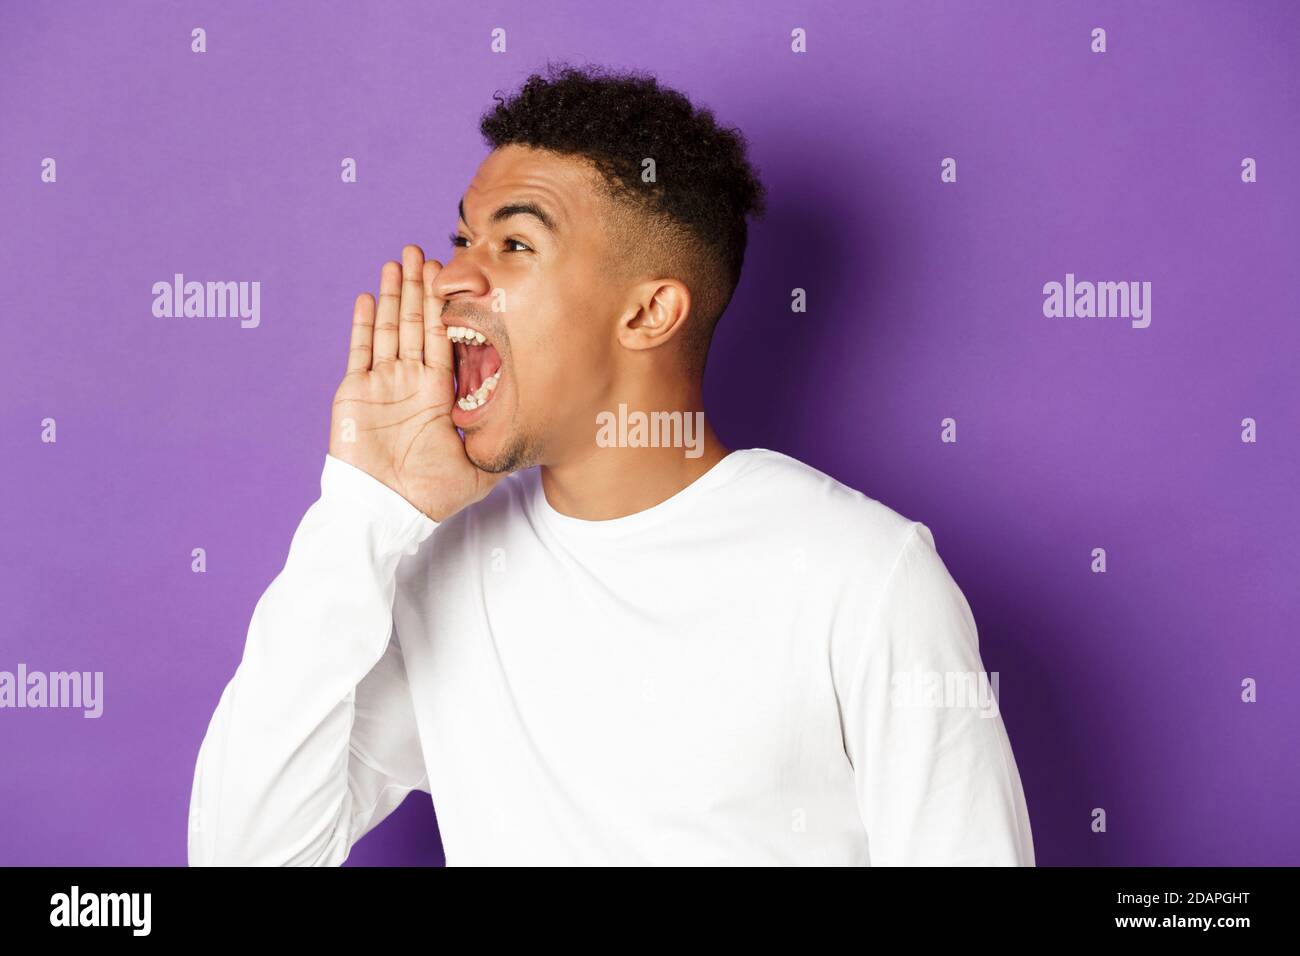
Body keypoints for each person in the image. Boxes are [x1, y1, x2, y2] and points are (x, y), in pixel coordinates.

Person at [187, 62, 1035, 866]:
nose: (450, 278)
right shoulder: (437, 568)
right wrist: (366, 507)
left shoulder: (865, 575)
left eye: (514, 245)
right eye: (461, 238)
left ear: (649, 311)